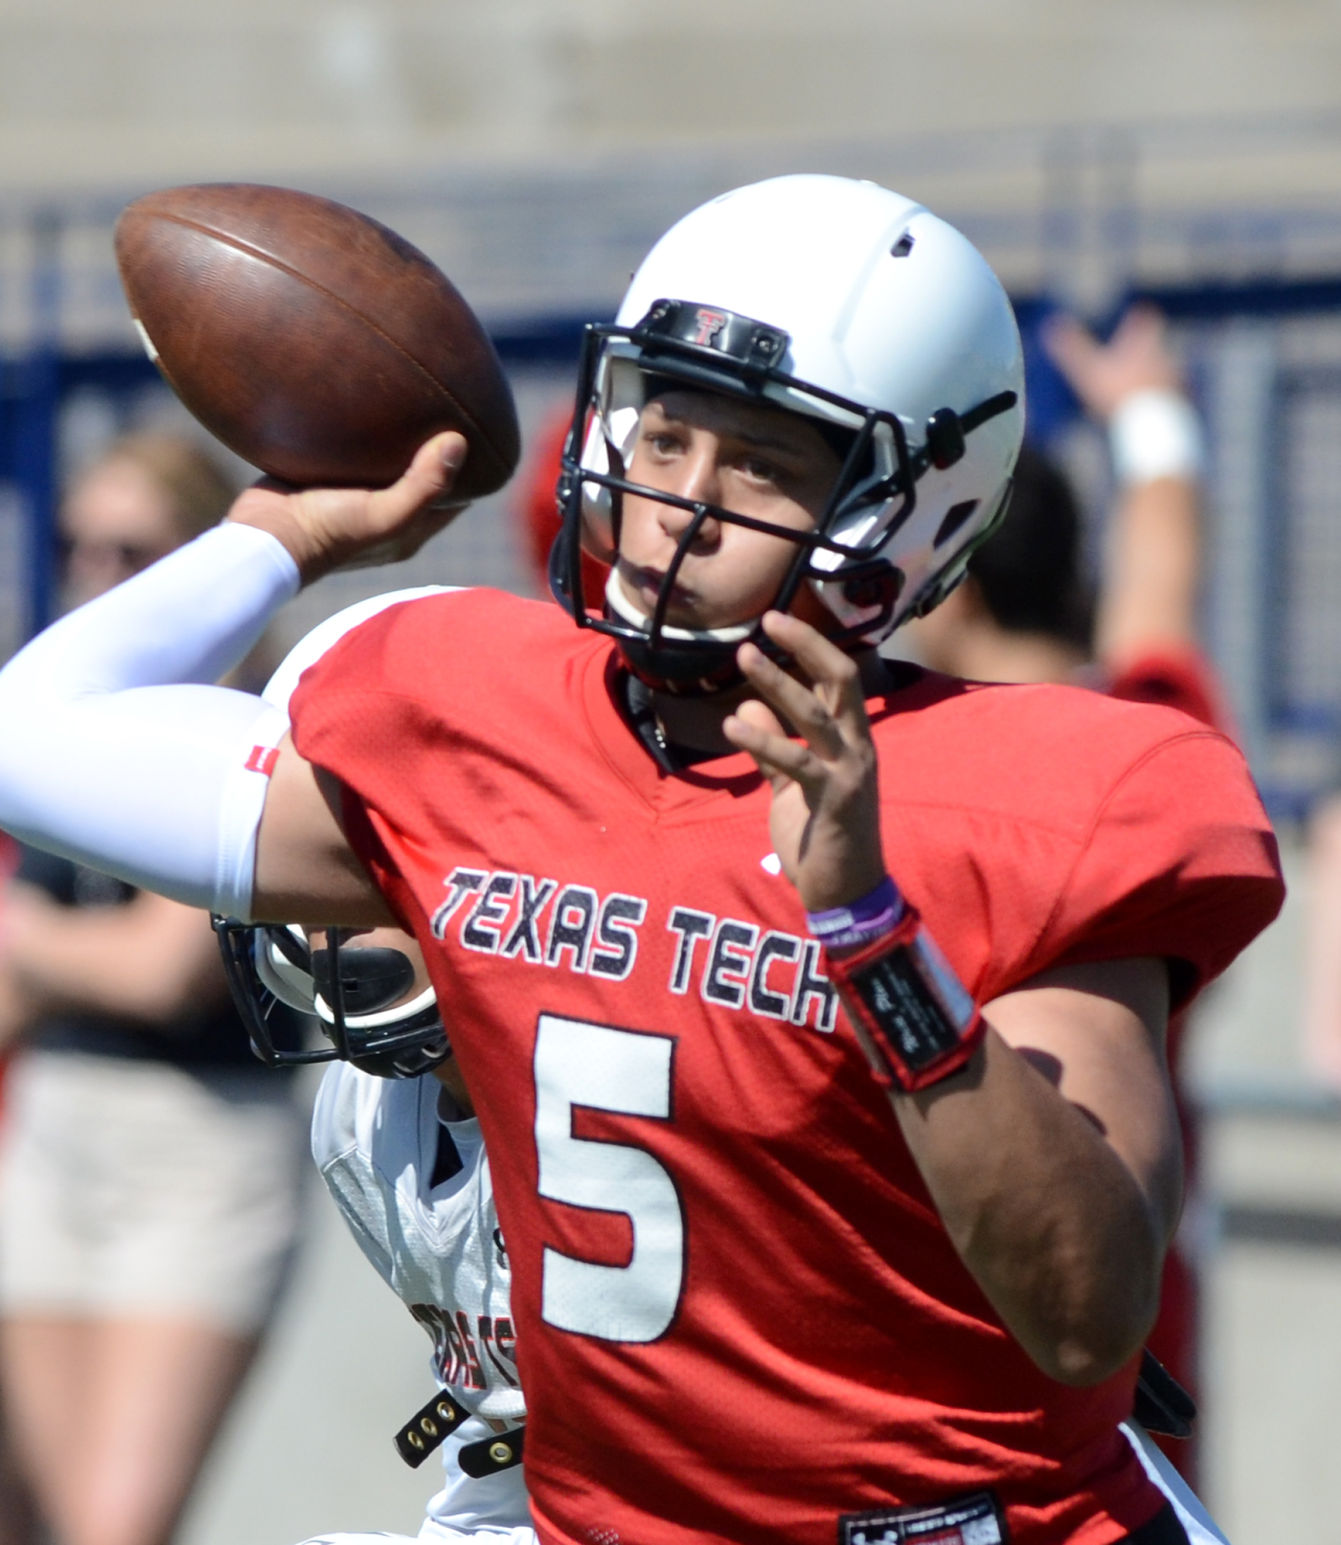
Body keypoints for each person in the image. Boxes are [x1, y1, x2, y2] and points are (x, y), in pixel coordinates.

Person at [0, 175, 1284, 1545]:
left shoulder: (1041, 793)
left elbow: (1086, 1308)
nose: (684, 502)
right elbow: (36, 743)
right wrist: (287, 534)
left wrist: (869, 927)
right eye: (665, 435)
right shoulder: (471, 716)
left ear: (913, 506)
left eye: (765, 461)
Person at [906, 304, 1226, 1483]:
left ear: (966, 587)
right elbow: (1161, 595)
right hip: (1140, 1275)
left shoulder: (884, 783)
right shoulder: (1150, 741)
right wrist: (1148, 415)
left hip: (932, 1297)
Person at [0, 432, 309, 1545]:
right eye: (80, 547)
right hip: (60, 1139)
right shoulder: (73, 745)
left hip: (201, 1156)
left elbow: (159, 970)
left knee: (114, 1530)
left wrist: (32, 944)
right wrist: (48, 955)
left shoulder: (255, 727)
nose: (94, 577)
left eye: (130, 552)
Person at [213, 590, 534, 1545]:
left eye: (364, 845)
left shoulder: (618, 1086)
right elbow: (497, 1465)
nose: (320, 889)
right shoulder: (357, 1117)